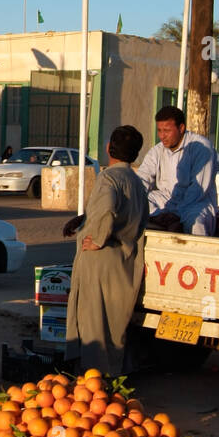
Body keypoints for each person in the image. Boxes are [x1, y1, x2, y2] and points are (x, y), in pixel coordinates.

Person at [62, 126, 149, 375]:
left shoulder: (108, 177)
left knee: (93, 328)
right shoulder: (136, 182)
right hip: (124, 263)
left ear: (109, 148)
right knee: (113, 327)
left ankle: (94, 386)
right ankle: (114, 381)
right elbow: (124, 213)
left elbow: (109, 207)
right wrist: (83, 219)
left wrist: (98, 238)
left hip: (99, 262)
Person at [135, 105, 218, 236]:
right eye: (159, 130)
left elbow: (198, 190)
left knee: (195, 222)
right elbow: (142, 179)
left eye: (167, 131)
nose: (162, 136)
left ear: (181, 128)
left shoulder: (202, 148)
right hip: (165, 199)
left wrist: (174, 213)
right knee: (139, 204)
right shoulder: (157, 150)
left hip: (196, 203)